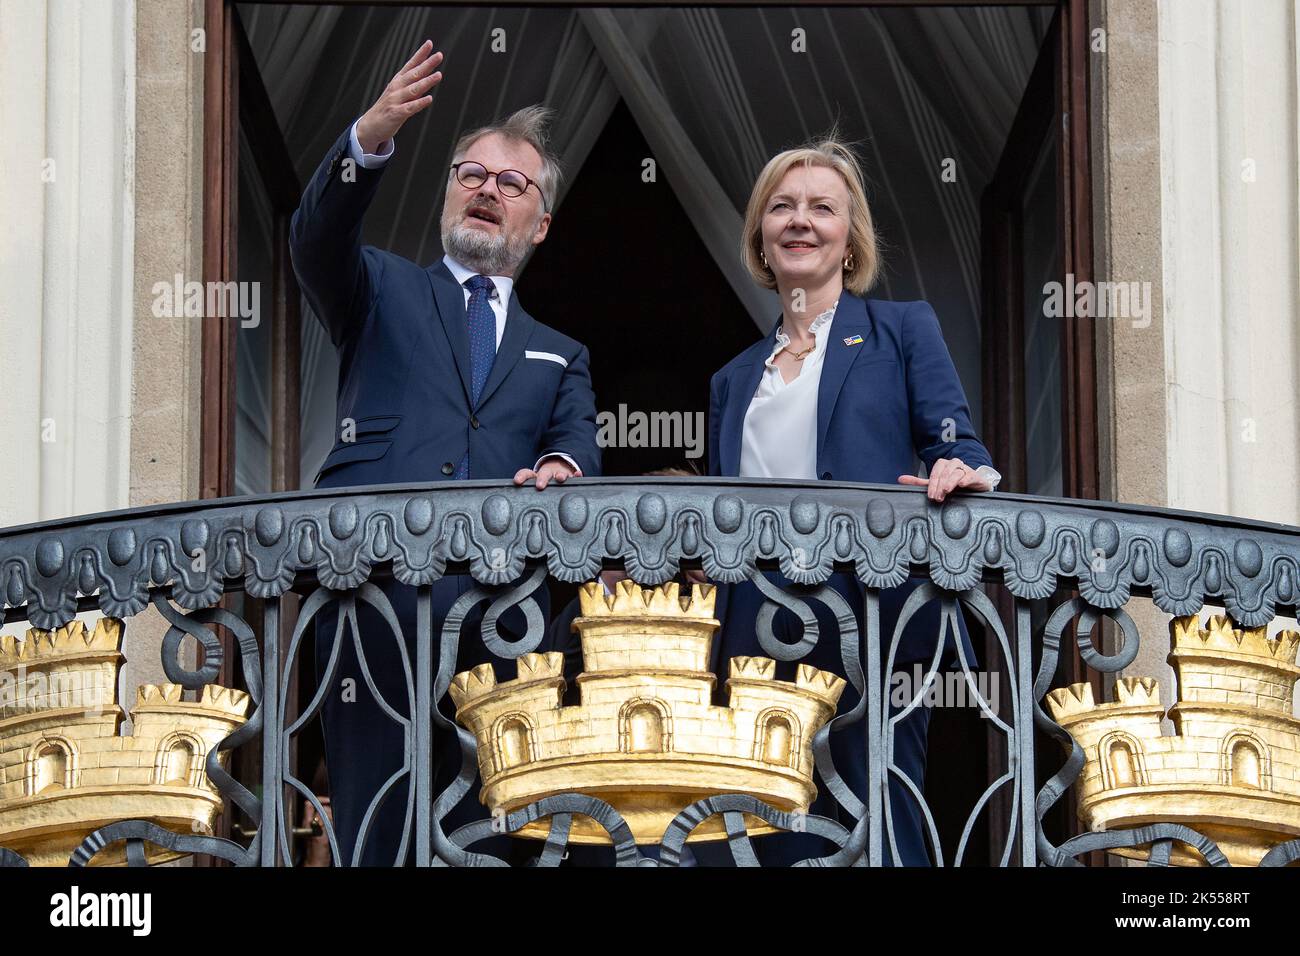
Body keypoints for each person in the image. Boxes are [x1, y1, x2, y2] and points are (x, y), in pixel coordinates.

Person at [289, 40, 600, 865]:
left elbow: (577, 450)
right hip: (373, 604)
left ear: (541, 222)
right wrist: (367, 140)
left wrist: (565, 472)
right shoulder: (379, 288)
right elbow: (314, 241)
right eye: (472, 173)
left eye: (511, 183)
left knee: (497, 829)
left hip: (505, 625)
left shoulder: (559, 352)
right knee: (376, 823)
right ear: (446, 192)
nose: (488, 191)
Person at [707, 134, 1001, 866]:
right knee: (766, 825)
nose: (800, 220)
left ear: (850, 238)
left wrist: (960, 474)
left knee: (878, 826)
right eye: (782, 207)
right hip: (756, 635)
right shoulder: (732, 378)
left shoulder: (902, 330)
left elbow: (958, 447)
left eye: (822, 208)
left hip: (871, 625)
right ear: (761, 239)